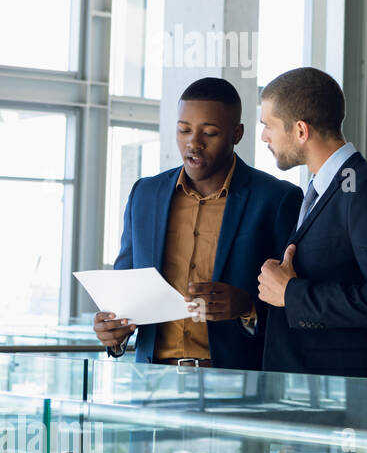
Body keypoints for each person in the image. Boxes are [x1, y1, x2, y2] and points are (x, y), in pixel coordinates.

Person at [256, 66, 367, 431]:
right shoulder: (317, 192)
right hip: (316, 407)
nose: (264, 136)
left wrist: (291, 293)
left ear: (300, 130)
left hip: (358, 412)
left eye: (268, 125)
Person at [95, 77, 302, 368]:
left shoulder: (277, 199)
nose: (194, 143)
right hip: (152, 381)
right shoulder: (144, 194)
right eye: (184, 130)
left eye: (210, 133)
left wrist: (247, 308)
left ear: (237, 134)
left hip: (235, 383)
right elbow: (124, 293)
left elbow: (299, 306)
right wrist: (114, 333)